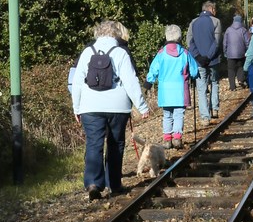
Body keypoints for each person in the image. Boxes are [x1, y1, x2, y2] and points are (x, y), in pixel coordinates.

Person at [71, 19, 149, 199]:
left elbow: (76, 83)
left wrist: (76, 107)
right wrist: (142, 106)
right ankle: (114, 184)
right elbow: (131, 82)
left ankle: (93, 183)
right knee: (116, 144)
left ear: (97, 34)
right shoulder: (120, 53)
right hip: (118, 107)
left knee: (94, 144)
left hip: (90, 107)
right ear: (116, 35)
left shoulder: (87, 52)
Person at [146, 25, 198, 151]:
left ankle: (167, 139)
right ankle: (177, 137)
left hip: (165, 91)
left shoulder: (161, 54)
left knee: (167, 114)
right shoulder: (185, 53)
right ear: (179, 37)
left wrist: (149, 81)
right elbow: (194, 70)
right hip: (180, 90)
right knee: (179, 114)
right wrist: (194, 76)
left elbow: (154, 69)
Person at [186, 0, 223, 124]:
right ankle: (215, 109)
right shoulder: (216, 22)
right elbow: (217, 42)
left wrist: (198, 56)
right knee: (214, 83)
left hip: (199, 62)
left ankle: (204, 117)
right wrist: (209, 56)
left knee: (201, 88)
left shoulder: (193, 23)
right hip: (213, 61)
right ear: (211, 9)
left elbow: (189, 42)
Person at [223, 11, 250, 89]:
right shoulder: (243, 30)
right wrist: (247, 51)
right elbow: (247, 42)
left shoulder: (228, 30)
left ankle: (232, 86)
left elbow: (225, 42)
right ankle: (240, 80)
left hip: (230, 54)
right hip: (241, 53)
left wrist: (225, 51)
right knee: (240, 67)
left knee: (231, 69)